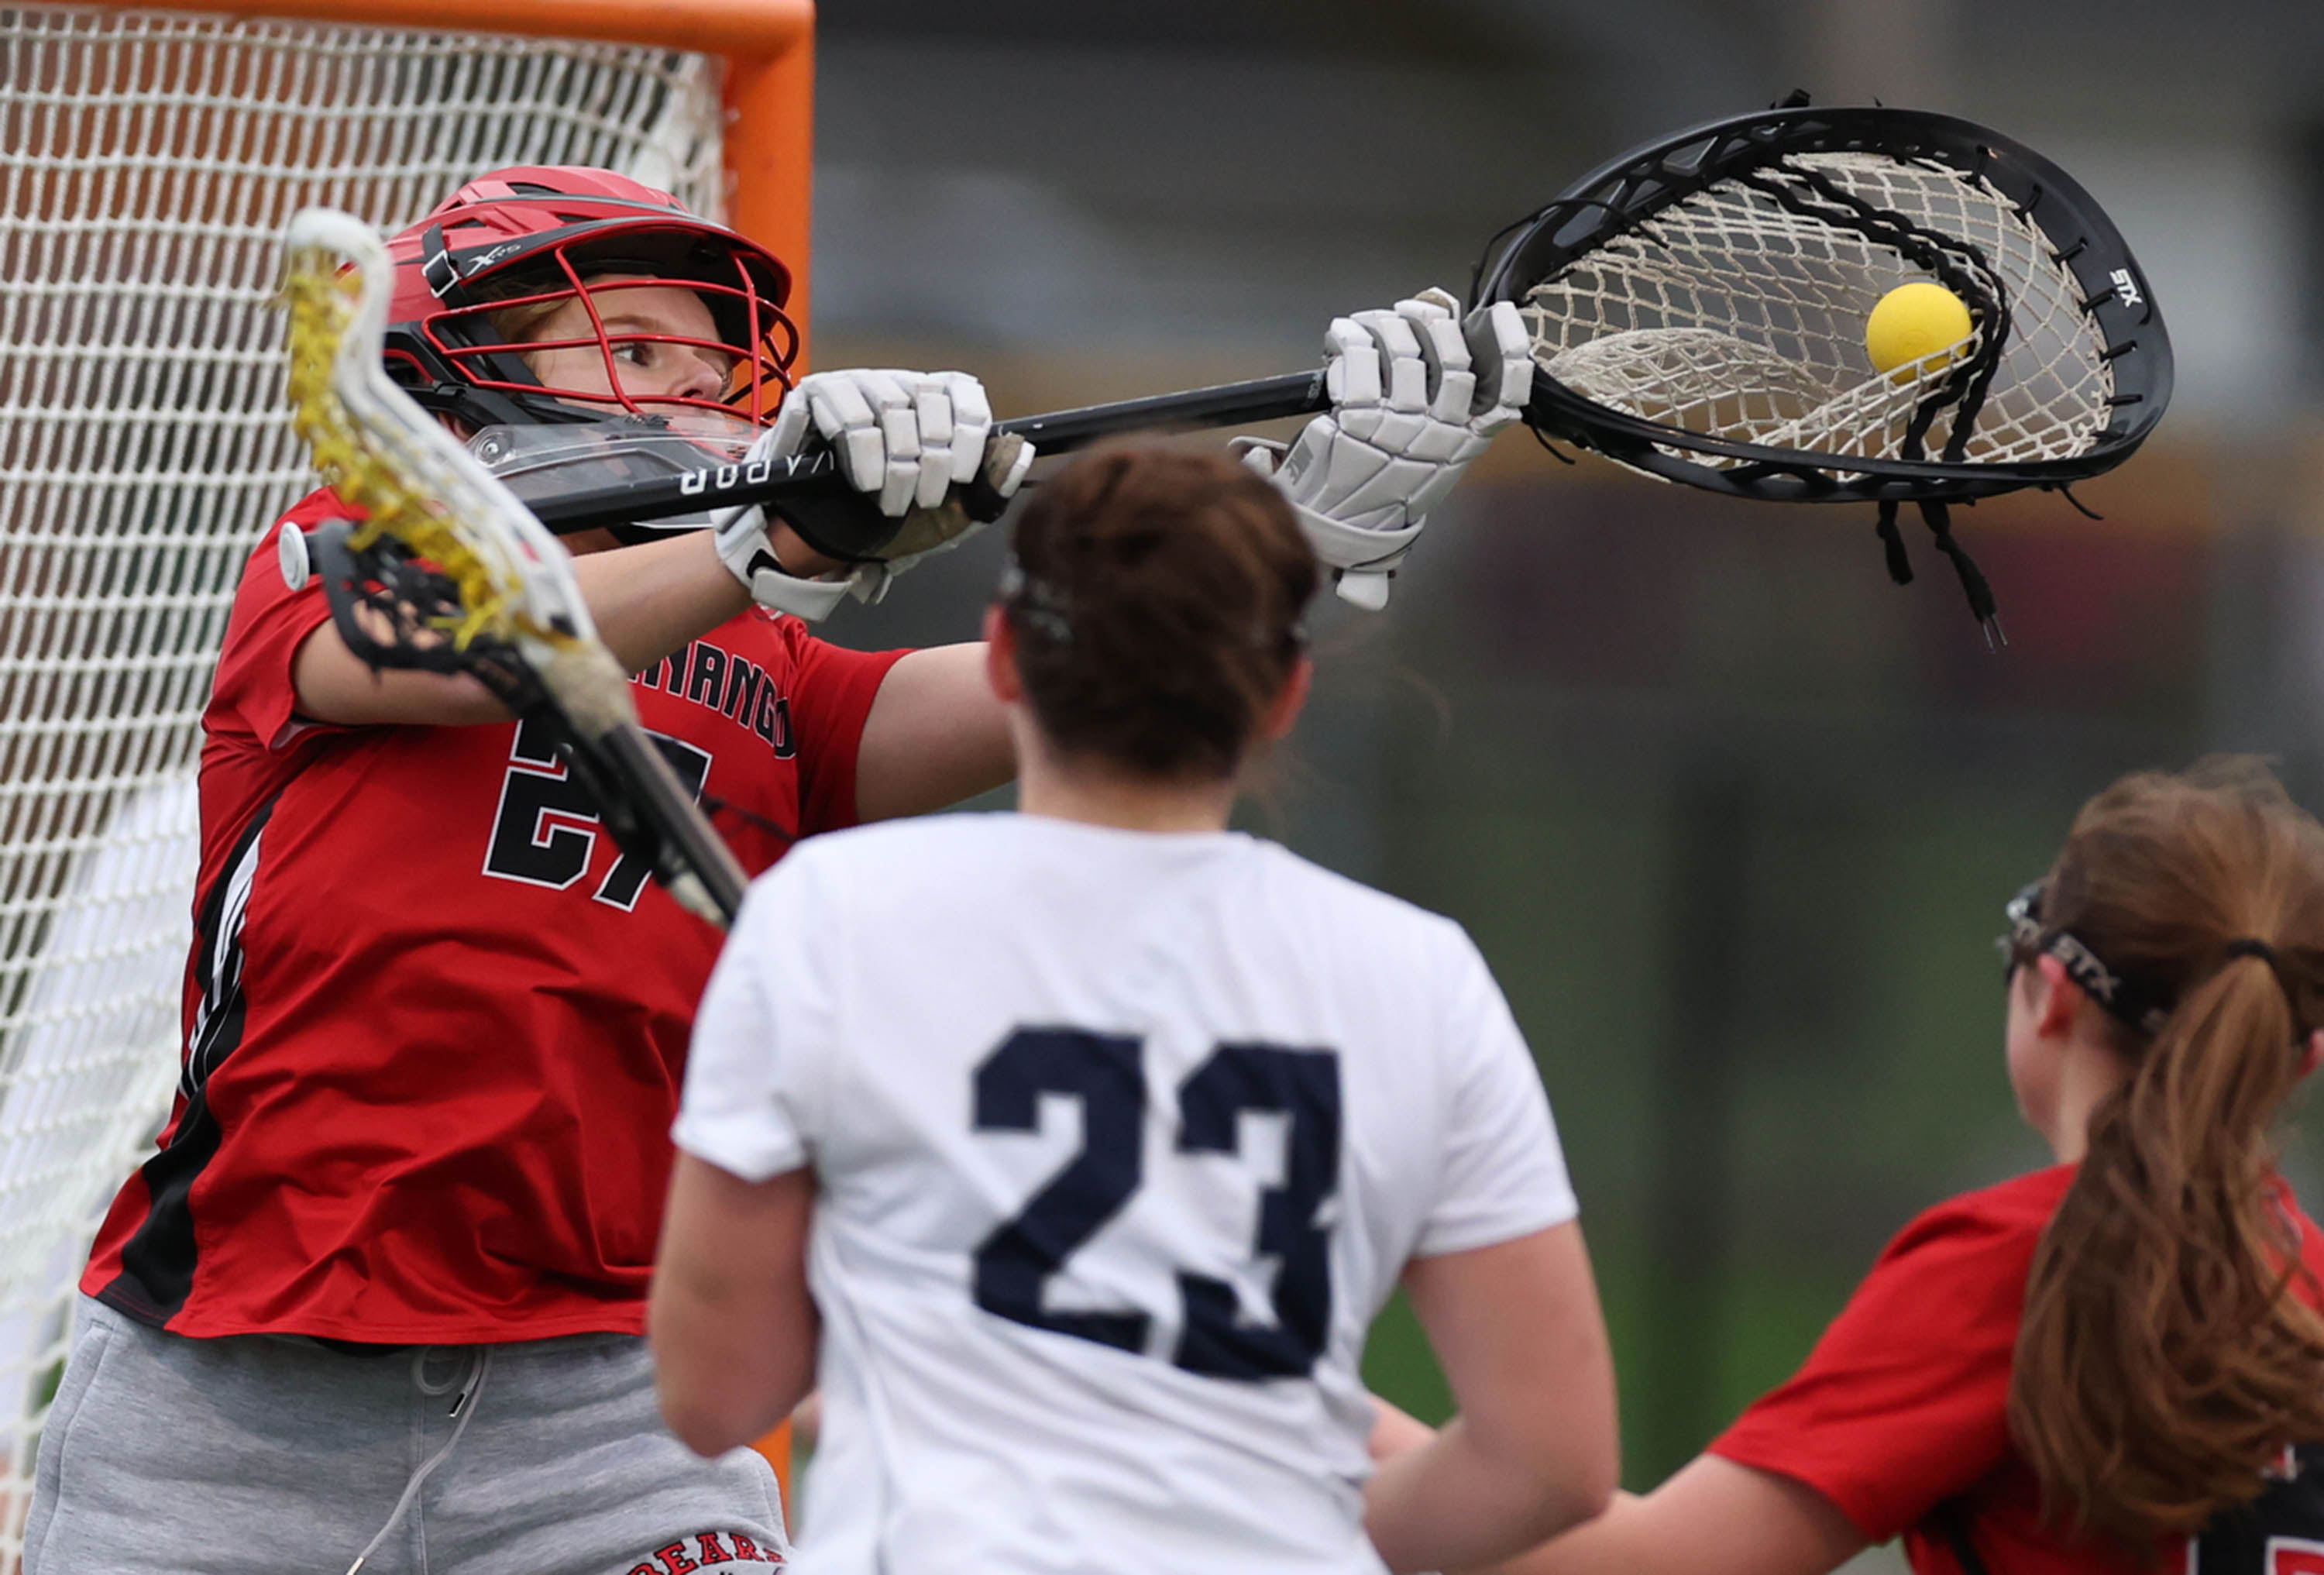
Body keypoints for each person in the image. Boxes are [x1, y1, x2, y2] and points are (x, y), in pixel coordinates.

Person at [25, 165, 1532, 1575]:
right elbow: (473, 648)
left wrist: (1294, 539)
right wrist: (768, 544)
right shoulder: (337, 552)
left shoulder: (781, 673)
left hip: (611, 1410)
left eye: (706, 353)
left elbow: (1087, 679)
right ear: (461, 364)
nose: (688, 379)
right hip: (228, 1392)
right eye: (627, 341)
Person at [651, 444, 1621, 1575]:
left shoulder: (830, 915)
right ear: (1285, 692)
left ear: (1006, 657)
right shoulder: (1420, 973)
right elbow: (1550, 1461)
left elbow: (714, 1395)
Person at [1383, 755, 2324, 1575]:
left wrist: (1302, 1400)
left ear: (2053, 998)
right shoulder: (2307, 1286)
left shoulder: (2028, 1264)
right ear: (2301, 1060)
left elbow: (1648, 1565)